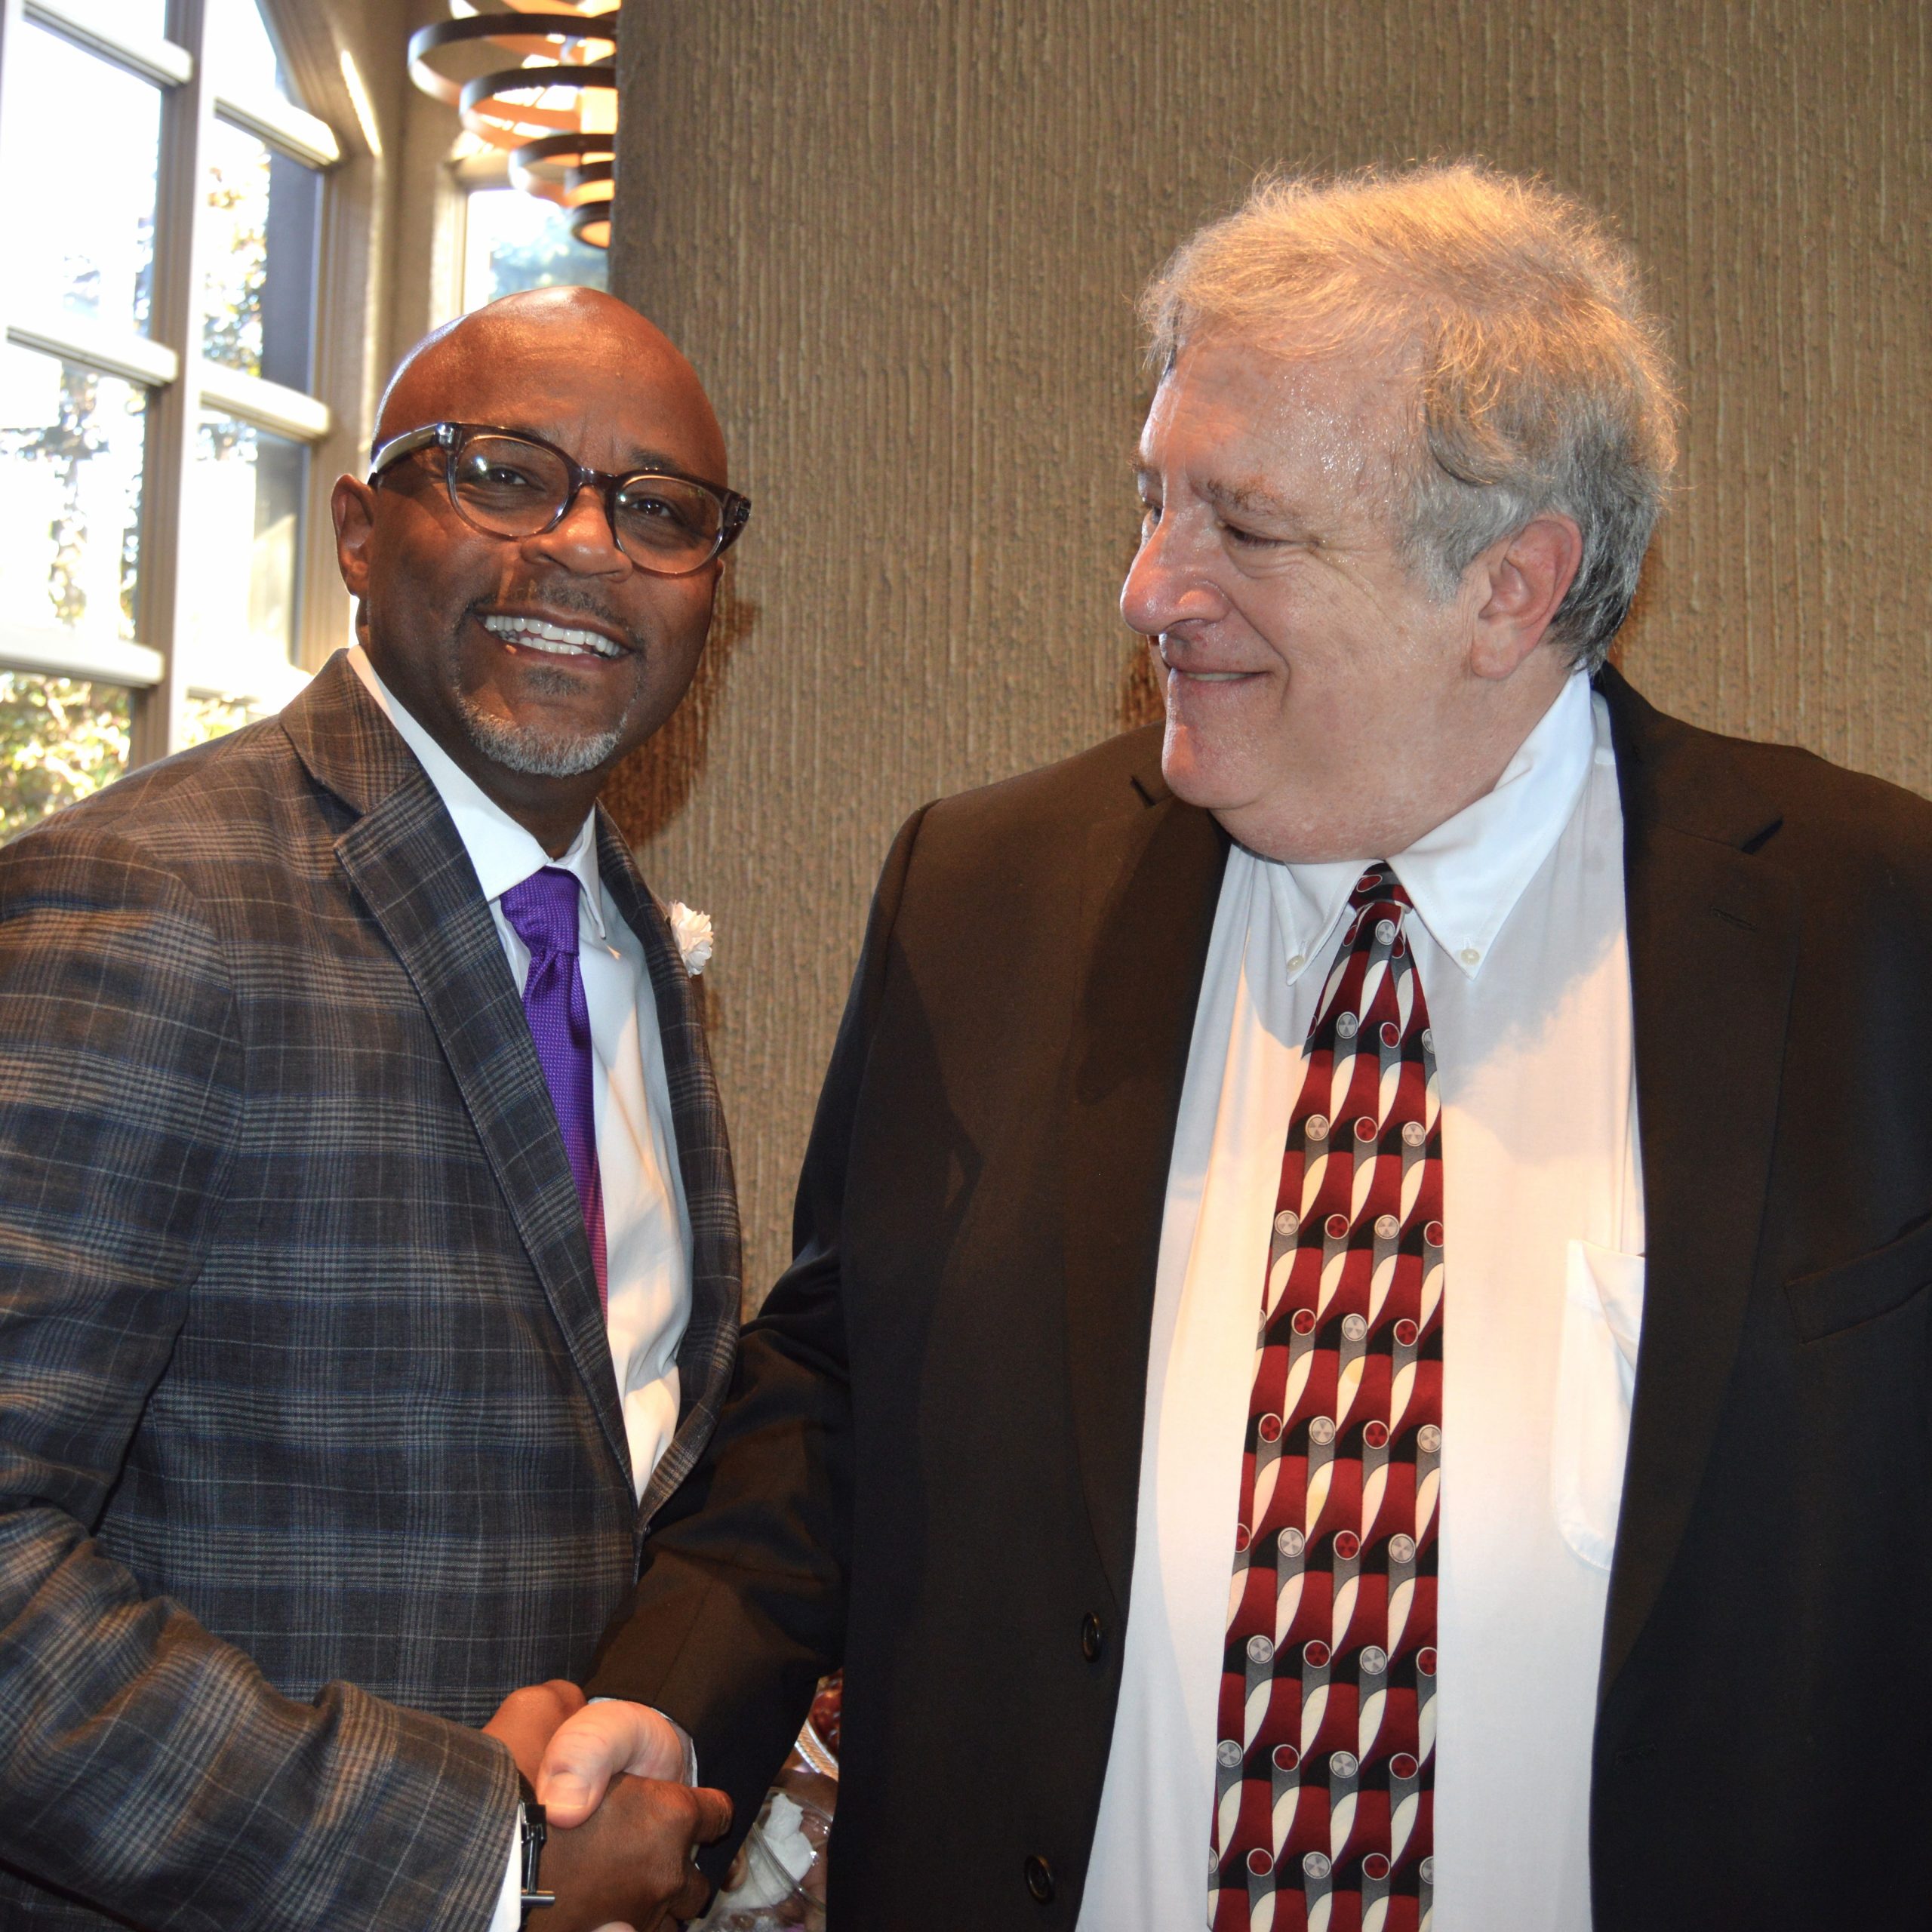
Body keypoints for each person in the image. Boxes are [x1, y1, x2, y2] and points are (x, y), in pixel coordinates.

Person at [535, 166, 1932, 1930]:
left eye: (1243, 529)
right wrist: (669, 1692)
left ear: (1510, 586)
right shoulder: (986, 892)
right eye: (1150, 501)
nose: (1145, 591)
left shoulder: (1871, 935)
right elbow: (833, 1381)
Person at [0, 288, 741, 1930]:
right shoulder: (144, 903)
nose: (584, 547)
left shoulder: (626, 944)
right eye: (503, 475)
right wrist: (476, 1851)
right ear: (357, 525)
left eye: (658, 512)